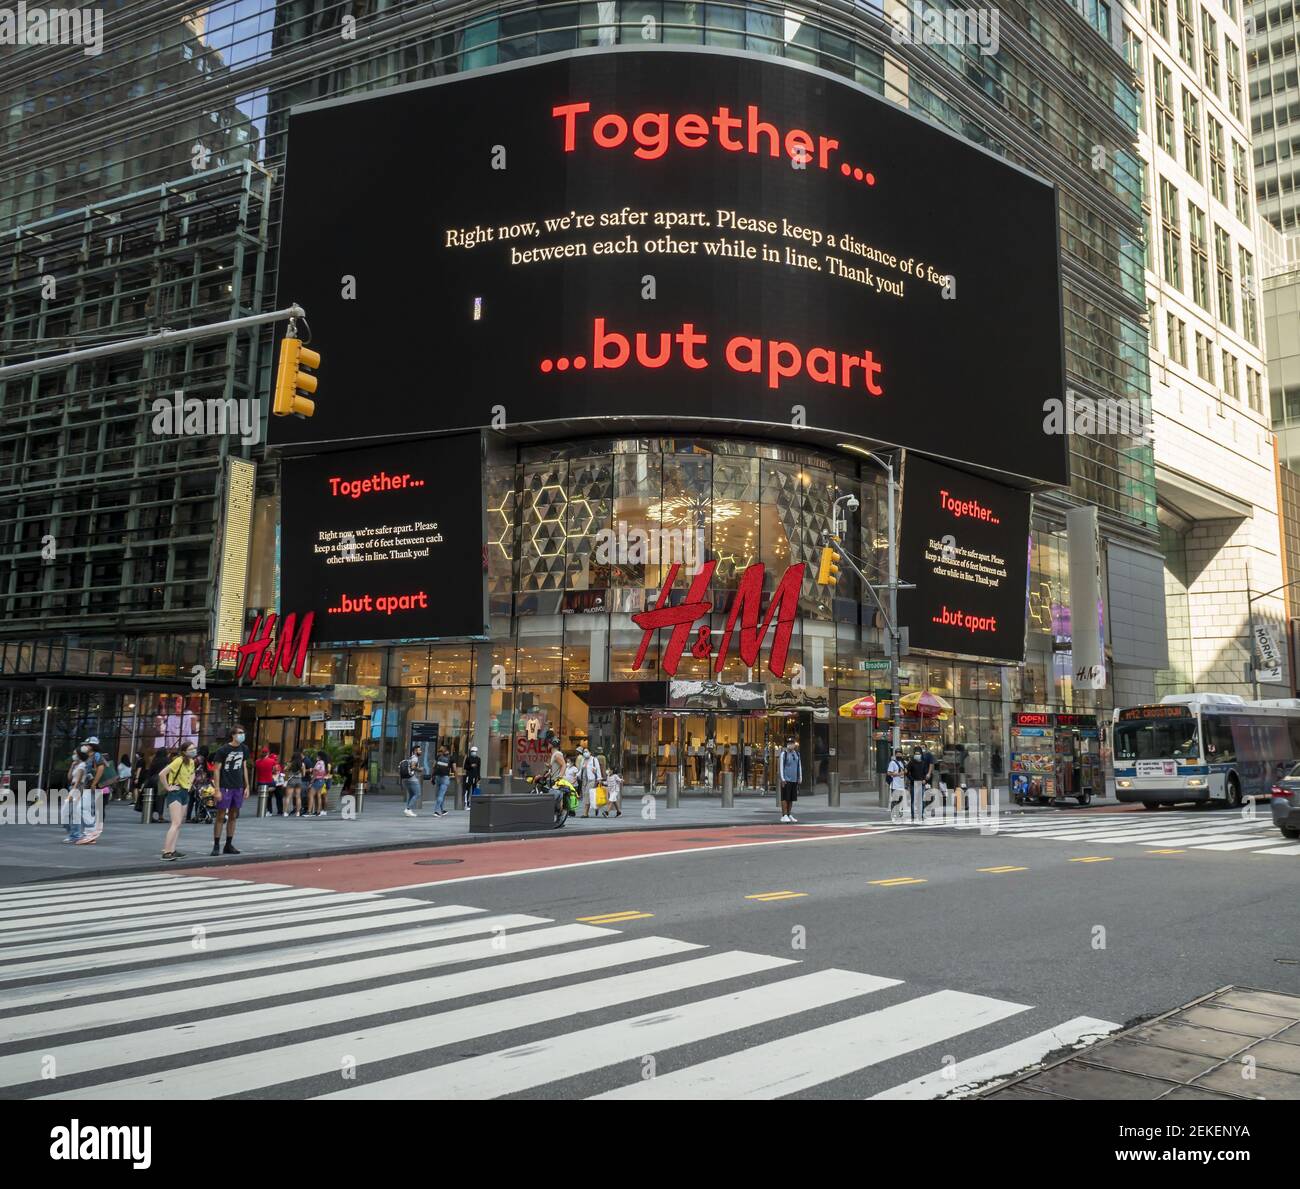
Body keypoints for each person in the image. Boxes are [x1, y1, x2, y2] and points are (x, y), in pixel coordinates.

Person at [210, 726, 251, 856]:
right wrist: (217, 789)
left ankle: (228, 843)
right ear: (232, 735)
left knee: (233, 815)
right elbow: (216, 769)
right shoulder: (223, 750)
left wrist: (247, 786)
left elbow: (244, 767)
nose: (241, 735)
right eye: (239, 733)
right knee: (221, 815)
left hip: (238, 786)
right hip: (225, 785)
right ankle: (216, 844)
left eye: (243, 733)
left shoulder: (244, 749)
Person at [158, 745, 196, 861]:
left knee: (179, 823)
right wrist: (168, 787)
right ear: (184, 751)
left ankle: (172, 850)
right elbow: (162, 774)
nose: (193, 751)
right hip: (176, 793)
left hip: (185, 792)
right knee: (175, 823)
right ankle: (166, 851)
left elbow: (192, 773)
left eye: (194, 748)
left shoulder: (191, 761)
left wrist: (190, 783)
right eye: (190, 749)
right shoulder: (178, 760)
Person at [63, 746, 90, 845]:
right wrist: (72, 766)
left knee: (72, 813)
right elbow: (70, 777)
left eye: (75, 754)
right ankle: (75, 834)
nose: (73, 755)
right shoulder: (76, 765)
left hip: (77, 789)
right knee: (70, 813)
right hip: (72, 788)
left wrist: (72, 794)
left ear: (79, 755)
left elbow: (78, 781)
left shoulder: (82, 766)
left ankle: (76, 835)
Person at [779, 737, 801, 823]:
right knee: (785, 797)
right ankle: (784, 815)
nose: (791, 744)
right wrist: (782, 778)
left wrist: (799, 777)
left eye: (792, 743)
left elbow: (799, 766)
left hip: (794, 779)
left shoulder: (797, 754)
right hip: (786, 779)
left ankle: (789, 813)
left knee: (791, 798)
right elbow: (781, 767)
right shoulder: (784, 754)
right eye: (789, 743)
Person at [254, 745, 281, 817]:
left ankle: (269, 811)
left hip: (260, 782)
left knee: (266, 796)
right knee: (272, 791)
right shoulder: (272, 761)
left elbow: (257, 770)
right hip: (270, 782)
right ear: (268, 753)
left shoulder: (257, 761)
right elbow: (276, 770)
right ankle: (274, 811)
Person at [905, 746, 930, 821]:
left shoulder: (923, 762)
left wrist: (925, 780)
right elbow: (907, 772)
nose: (917, 755)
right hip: (913, 783)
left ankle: (921, 815)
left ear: (921, 754)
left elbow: (926, 773)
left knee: (921, 800)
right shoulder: (911, 762)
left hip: (921, 783)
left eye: (918, 754)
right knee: (913, 800)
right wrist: (911, 779)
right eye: (916, 753)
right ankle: (913, 815)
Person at [400, 744, 423, 817]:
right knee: (417, 794)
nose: (421, 751)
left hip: (406, 779)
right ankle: (408, 809)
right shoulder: (415, 758)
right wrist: (420, 769)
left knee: (411, 795)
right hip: (412, 779)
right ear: (415, 751)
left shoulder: (410, 758)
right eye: (419, 750)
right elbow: (413, 767)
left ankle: (408, 810)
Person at [579, 748, 603, 818]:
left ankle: (585, 813)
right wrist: (576, 775)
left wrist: (599, 779)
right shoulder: (583, 760)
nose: (585, 753)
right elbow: (581, 770)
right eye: (584, 752)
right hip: (584, 780)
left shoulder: (594, 760)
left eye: (586, 751)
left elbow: (598, 769)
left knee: (587, 794)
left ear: (590, 752)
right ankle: (596, 807)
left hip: (592, 780)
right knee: (586, 796)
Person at [431, 746, 453, 816]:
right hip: (445, 777)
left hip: (437, 777)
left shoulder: (438, 756)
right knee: (441, 795)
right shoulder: (451, 758)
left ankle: (442, 810)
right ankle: (436, 811)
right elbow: (454, 769)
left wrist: (432, 776)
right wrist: (457, 777)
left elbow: (433, 766)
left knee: (440, 795)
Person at [284, 751, 305, 817]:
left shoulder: (290, 763)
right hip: (299, 780)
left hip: (291, 780)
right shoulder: (302, 764)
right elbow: (303, 774)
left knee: (288, 797)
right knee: (298, 797)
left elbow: (285, 769)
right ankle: (298, 812)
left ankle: (285, 812)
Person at [307, 751, 328, 816]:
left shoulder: (319, 762)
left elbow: (316, 772)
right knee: (318, 796)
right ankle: (318, 811)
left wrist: (312, 781)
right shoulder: (323, 762)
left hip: (317, 780)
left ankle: (309, 811)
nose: (316, 756)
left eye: (317, 755)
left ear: (319, 756)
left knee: (310, 795)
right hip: (321, 780)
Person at [462, 744, 481, 809]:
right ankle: (466, 803)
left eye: (475, 751)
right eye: (473, 751)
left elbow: (478, 768)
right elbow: (465, 767)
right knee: (467, 789)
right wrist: (470, 766)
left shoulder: (478, 759)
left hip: (475, 776)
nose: (474, 752)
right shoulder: (468, 758)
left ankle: (472, 803)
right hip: (469, 776)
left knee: (474, 789)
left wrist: (479, 777)